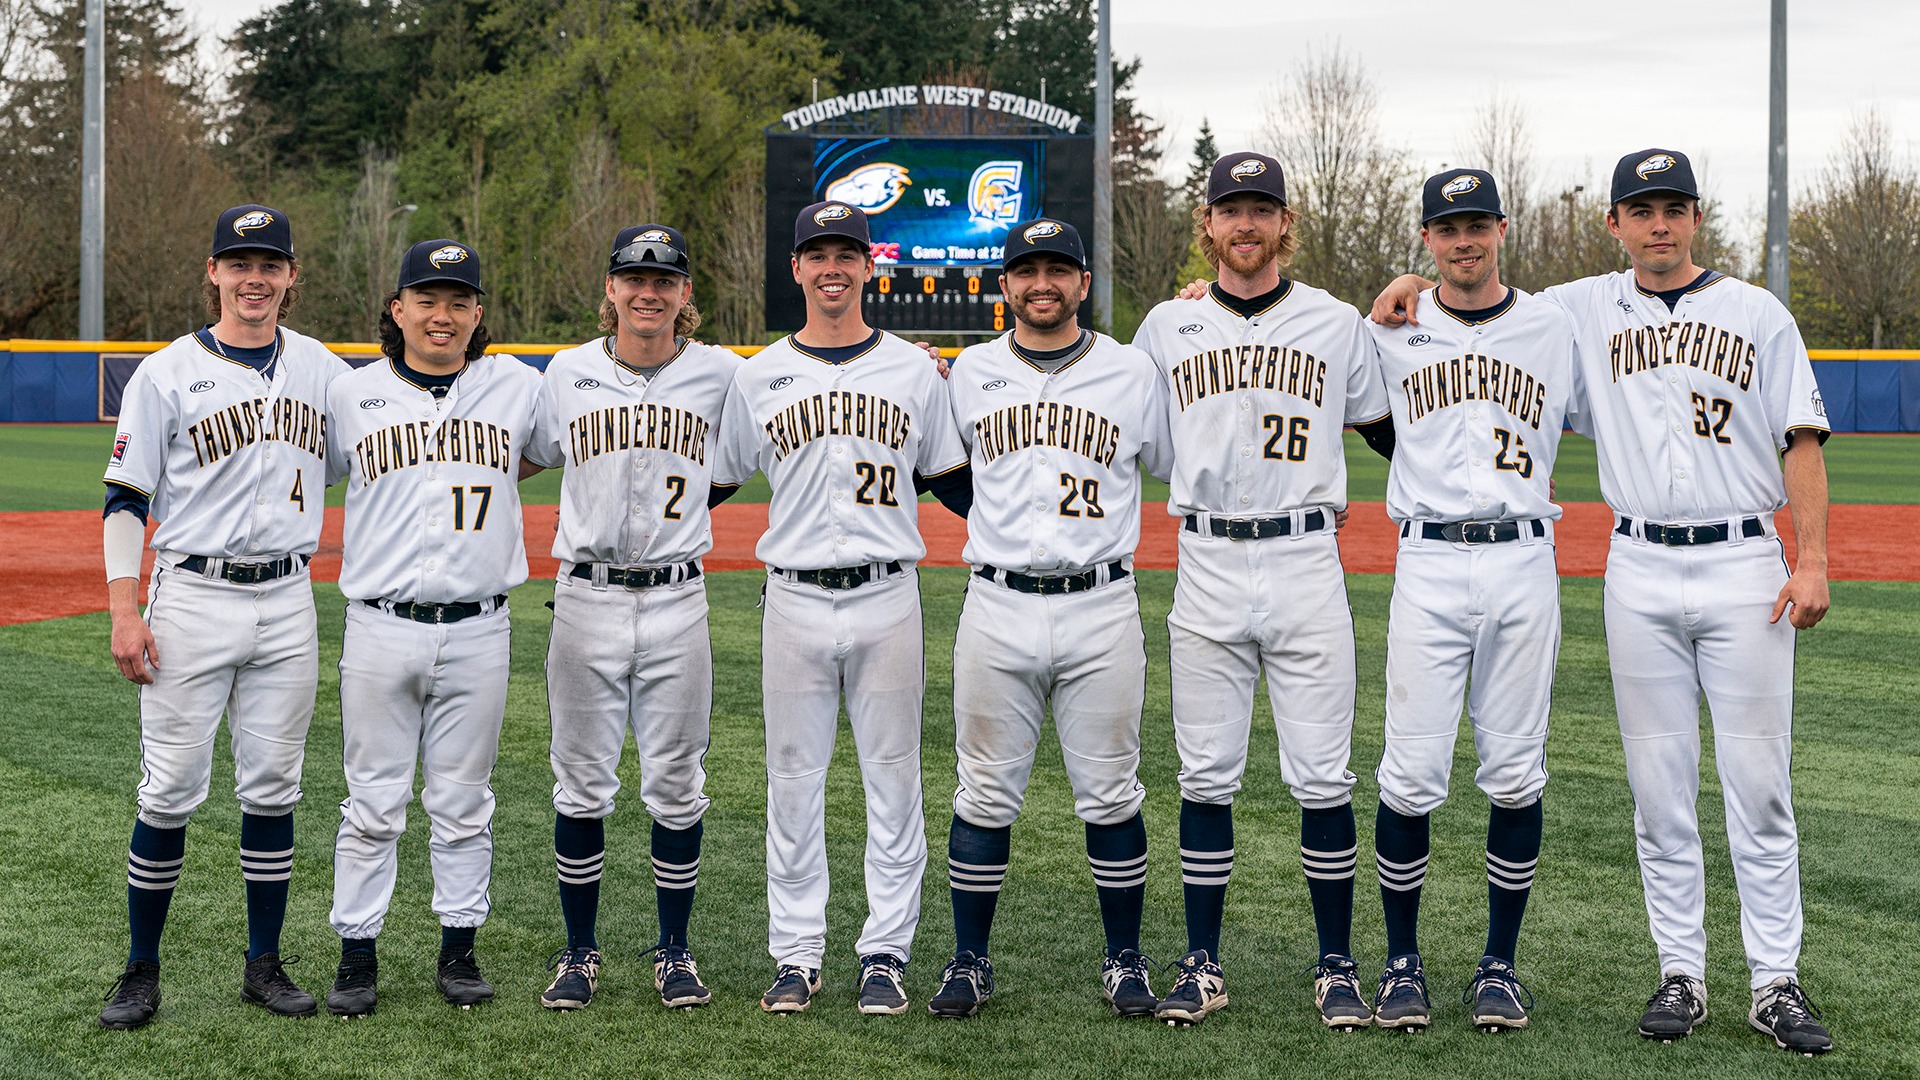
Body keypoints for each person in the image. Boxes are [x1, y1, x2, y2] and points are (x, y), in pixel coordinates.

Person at [1372, 149, 1834, 1055]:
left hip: (1745, 559)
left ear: (1696, 215)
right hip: (1636, 565)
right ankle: (1682, 973)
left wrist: (1810, 558)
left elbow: (1802, 437)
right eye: (1640, 209)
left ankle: (1775, 980)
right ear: (1613, 223)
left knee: (1760, 788)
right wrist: (1401, 287)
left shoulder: (1758, 312)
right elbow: (1467, 316)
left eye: (1673, 208)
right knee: (1658, 792)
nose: (1658, 224)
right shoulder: (1574, 311)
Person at [1131, 152, 1394, 1029]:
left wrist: (1411, 300)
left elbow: (1389, 425)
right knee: (1206, 775)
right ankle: (1201, 963)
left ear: (1287, 223)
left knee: (1324, 777)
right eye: (1229, 210)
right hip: (1205, 558)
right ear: (1205, 225)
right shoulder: (1165, 328)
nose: (1245, 225)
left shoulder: (1334, 322)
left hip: (1305, 558)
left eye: (1262, 209)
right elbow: (1124, 435)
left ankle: (1335, 966)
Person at [711, 201, 971, 1015]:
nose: (832, 268)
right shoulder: (756, 376)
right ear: (796, 268)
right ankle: (796, 954)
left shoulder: (912, 371)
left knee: (894, 782)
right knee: (792, 783)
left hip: (889, 594)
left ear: (870, 266)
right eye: (817, 254)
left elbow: (959, 487)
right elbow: (709, 482)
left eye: (846, 254)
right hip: (791, 598)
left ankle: (885, 954)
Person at [97, 204, 344, 1029]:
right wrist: (124, 610)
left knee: (274, 788)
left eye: (270, 264)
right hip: (193, 594)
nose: (255, 279)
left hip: (286, 597)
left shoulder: (324, 371)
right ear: (213, 273)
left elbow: (371, 462)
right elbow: (125, 498)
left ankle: (263, 965)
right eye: (240, 264)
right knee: (168, 790)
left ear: (291, 276)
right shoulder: (167, 372)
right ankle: (139, 969)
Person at [925, 219, 1174, 1020]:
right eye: (1026, 271)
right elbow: (950, 479)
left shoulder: (1134, 372)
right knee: (985, 793)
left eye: (1057, 270)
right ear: (1004, 286)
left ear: (1083, 283)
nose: (1043, 284)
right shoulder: (968, 374)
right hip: (996, 602)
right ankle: (969, 960)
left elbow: (1174, 463)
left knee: (1110, 794)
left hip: (1101, 604)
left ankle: (1125, 959)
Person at [1361, 170, 1573, 1032]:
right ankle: (1402, 962)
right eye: (1446, 229)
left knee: (1516, 772)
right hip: (1431, 563)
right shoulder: (1389, 330)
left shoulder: (1557, 325)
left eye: (1476, 224)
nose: (1463, 241)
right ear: (1425, 240)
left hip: (1525, 560)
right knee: (1410, 776)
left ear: (1503, 228)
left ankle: (1499, 965)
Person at [321, 239, 554, 1016]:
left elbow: (591, 416)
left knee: (464, 800)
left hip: (480, 626)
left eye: (458, 301)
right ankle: (357, 955)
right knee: (372, 802)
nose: (442, 314)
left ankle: (460, 952)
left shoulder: (517, 386)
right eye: (426, 299)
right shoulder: (349, 393)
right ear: (397, 309)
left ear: (478, 313)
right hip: (380, 624)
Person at [532, 225, 740, 1011]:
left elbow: (753, 452)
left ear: (686, 294)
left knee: (677, 784)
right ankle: (580, 952)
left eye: (664, 280)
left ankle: (674, 950)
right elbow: (530, 450)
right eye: (632, 278)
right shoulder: (567, 372)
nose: (647, 291)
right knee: (580, 783)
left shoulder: (722, 375)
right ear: (611, 290)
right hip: (585, 595)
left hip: (677, 596)